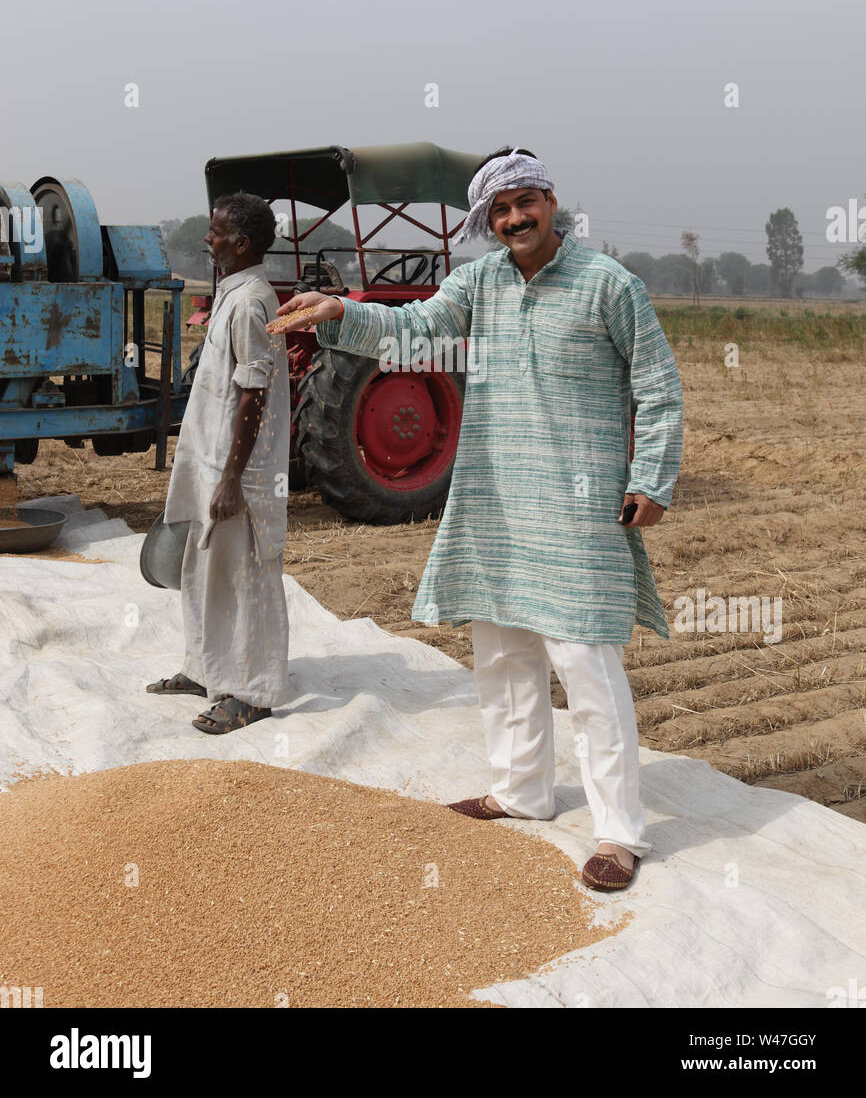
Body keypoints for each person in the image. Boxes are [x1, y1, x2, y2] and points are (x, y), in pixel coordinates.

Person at [273, 147, 683, 888]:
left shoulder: (609, 285)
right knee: (500, 653)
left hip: (576, 504)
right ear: (486, 222)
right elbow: (415, 330)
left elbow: (658, 387)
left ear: (552, 202)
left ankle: (619, 833)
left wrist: (651, 477)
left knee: (586, 665)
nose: (515, 218)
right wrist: (341, 312)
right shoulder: (479, 282)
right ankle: (522, 790)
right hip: (495, 496)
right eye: (499, 210)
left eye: (525, 201)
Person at [147, 192, 291, 733]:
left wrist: (233, 479)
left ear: (242, 243)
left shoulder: (252, 301)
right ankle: (205, 669)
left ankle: (252, 692)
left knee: (246, 577)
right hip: (211, 462)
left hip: (241, 474)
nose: (207, 238)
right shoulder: (230, 296)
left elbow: (252, 395)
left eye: (215, 231)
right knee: (201, 570)